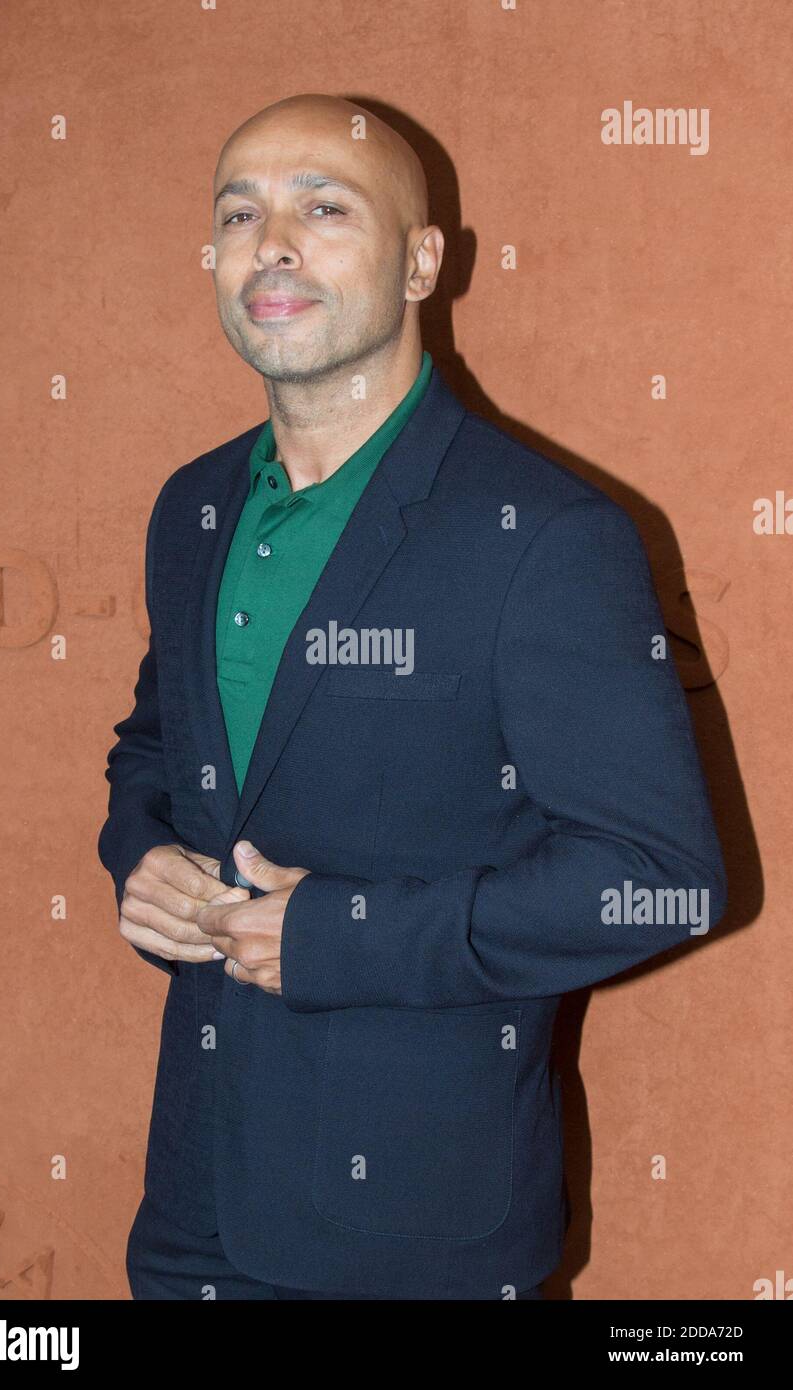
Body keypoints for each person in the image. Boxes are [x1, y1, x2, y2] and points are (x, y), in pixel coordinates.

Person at [98, 93, 727, 1301]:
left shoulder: (546, 534)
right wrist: (143, 853)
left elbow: (659, 873)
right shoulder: (193, 508)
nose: (269, 241)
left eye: (321, 208)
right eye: (239, 213)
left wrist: (342, 934)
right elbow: (155, 748)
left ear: (423, 261)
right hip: (193, 1206)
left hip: (415, 1232)